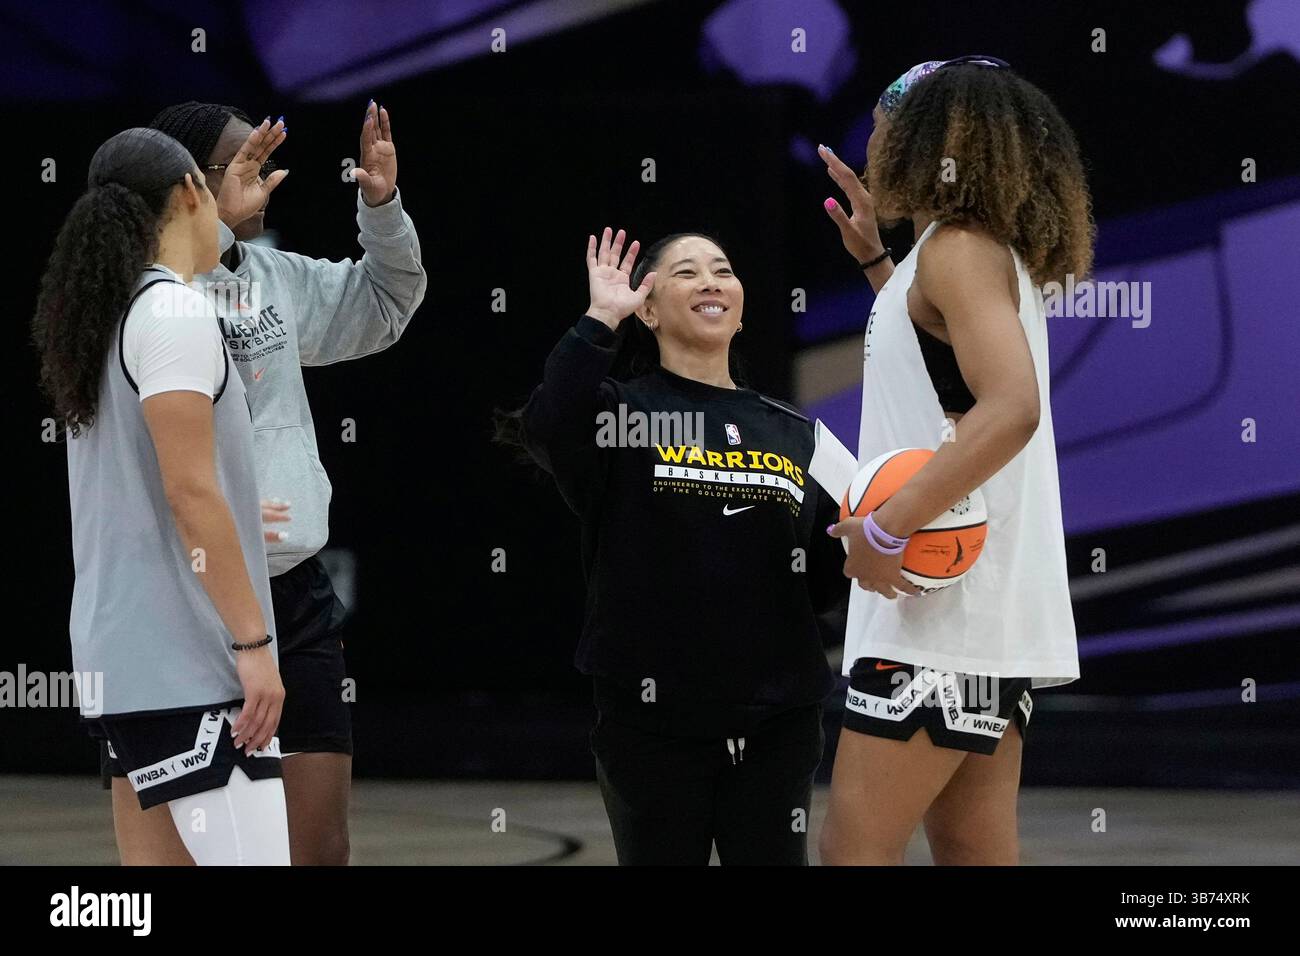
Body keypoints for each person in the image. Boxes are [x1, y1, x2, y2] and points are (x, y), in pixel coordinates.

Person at [95, 99, 427, 865]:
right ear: (188, 186)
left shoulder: (271, 276)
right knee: (175, 857)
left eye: (265, 163)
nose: (263, 181)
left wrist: (380, 206)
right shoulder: (134, 297)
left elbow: (387, 303)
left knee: (315, 851)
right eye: (241, 166)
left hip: (291, 597)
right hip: (177, 602)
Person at [816, 56, 1091, 865]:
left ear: (924, 137)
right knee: (974, 851)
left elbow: (1011, 406)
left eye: (879, 125)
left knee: (850, 853)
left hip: (941, 614)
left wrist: (888, 529)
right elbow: (943, 381)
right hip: (974, 613)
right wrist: (876, 262)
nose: (868, 145)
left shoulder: (960, 251)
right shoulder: (963, 250)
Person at [500, 227, 849, 865]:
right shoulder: (622, 414)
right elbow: (550, 424)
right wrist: (599, 318)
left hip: (776, 718)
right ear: (650, 308)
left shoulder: (802, 435)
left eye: (722, 268)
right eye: (686, 272)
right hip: (651, 718)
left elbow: (834, 572)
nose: (711, 281)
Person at [32, 125, 290, 865]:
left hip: (125, 662)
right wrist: (253, 645)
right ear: (189, 193)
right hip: (190, 663)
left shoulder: (113, 316)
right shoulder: (174, 315)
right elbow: (189, 493)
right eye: (209, 194)